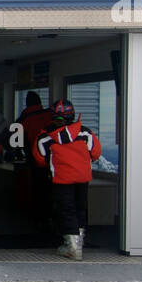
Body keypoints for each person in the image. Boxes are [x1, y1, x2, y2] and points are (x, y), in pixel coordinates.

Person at [33, 98, 102, 260]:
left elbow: (40, 158)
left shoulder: (46, 136)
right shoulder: (85, 133)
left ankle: (72, 247)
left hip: (61, 179)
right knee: (80, 208)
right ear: (73, 115)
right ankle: (80, 242)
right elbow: (96, 153)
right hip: (83, 177)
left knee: (66, 209)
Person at [15, 91, 53, 230]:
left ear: (27, 103)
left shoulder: (24, 119)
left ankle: (39, 219)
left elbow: (16, 141)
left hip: (35, 160)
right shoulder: (50, 114)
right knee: (53, 189)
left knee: (38, 189)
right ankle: (51, 218)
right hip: (55, 160)